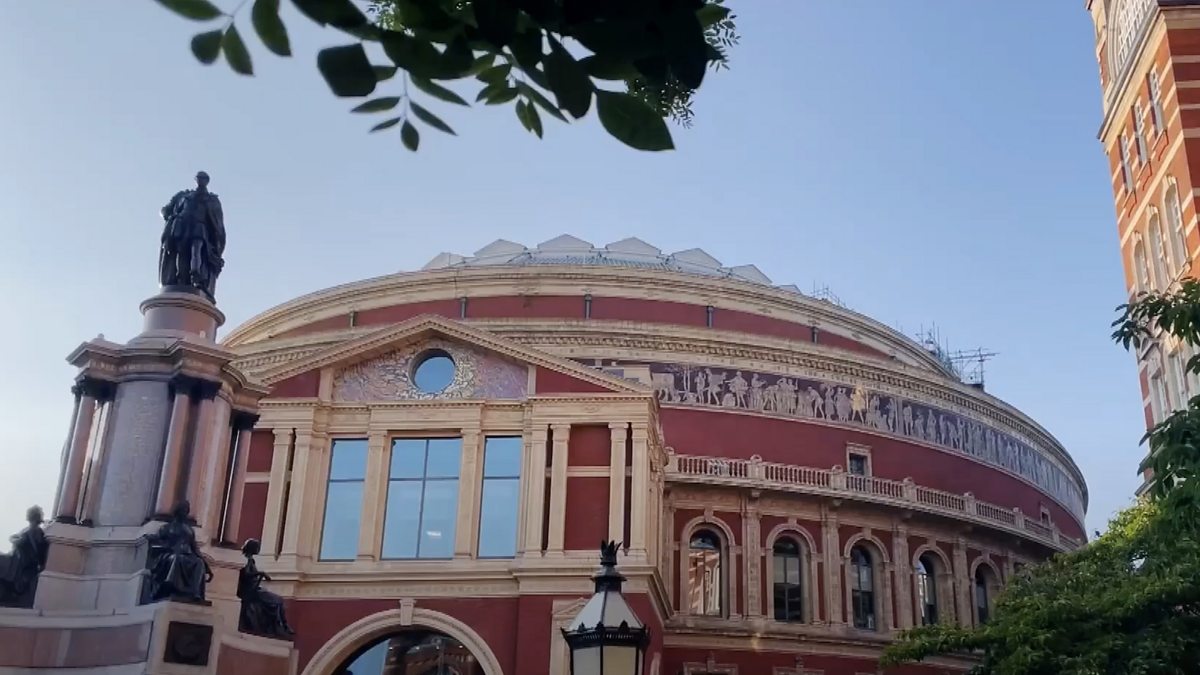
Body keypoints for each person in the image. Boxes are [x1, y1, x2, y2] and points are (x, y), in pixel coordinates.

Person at [147, 501, 212, 602]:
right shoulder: (167, 528)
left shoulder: (189, 530)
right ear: (177, 512)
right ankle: (170, 586)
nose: (184, 513)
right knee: (176, 559)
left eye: (186, 511)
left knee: (199, 563)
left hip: (187, 555)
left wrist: (207, 566)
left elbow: (195, 548)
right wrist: (151, 539)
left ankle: (195, 593)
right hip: (170, 554)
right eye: (183, 510)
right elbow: (158, 541)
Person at [237, 538, 293, 639]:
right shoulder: (246, 560)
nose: (259, 549)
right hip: (251, 591)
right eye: (257, 547)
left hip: (255, 589)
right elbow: (245, 574)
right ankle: (282, 627)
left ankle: (283, 626)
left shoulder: (250, 559)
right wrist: (260, 573)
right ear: (252, 547)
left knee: (279, 600)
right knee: (278, 600)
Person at [0, 506, 48, 607]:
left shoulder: (37, 532)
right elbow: (18, 539)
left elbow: (35, 550)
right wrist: (14, 539)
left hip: (24, 563)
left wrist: (16, 540)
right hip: (18, 558)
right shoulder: (29, 530)